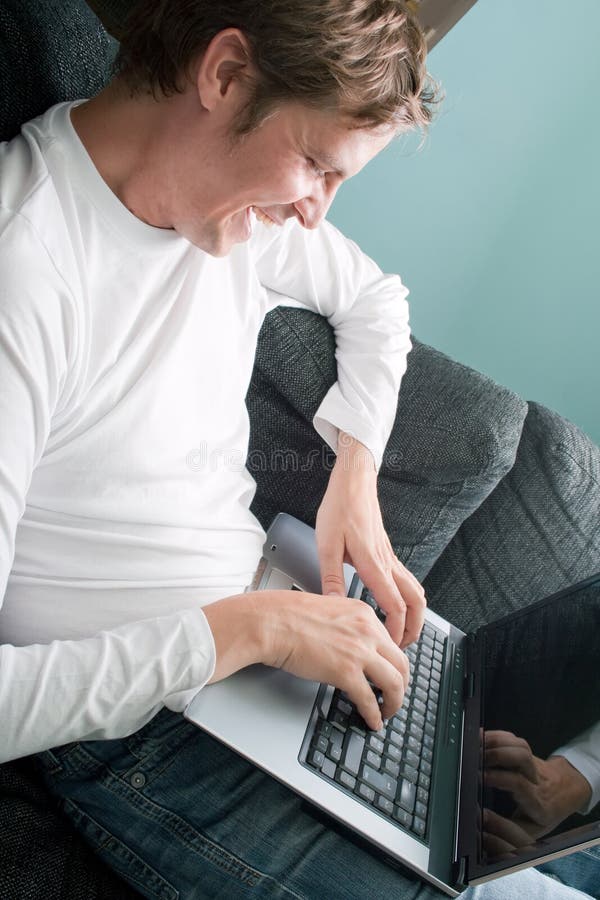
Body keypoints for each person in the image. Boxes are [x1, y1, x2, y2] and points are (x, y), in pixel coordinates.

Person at [0, 0, 597, 896]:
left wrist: (352, 475)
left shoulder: (227, 215)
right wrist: (252, 629)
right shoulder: (27, 271)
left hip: (270, 640)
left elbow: (377, 301)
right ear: (226, 75)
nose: (317, 214)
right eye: (316, 164)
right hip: (147, 733)